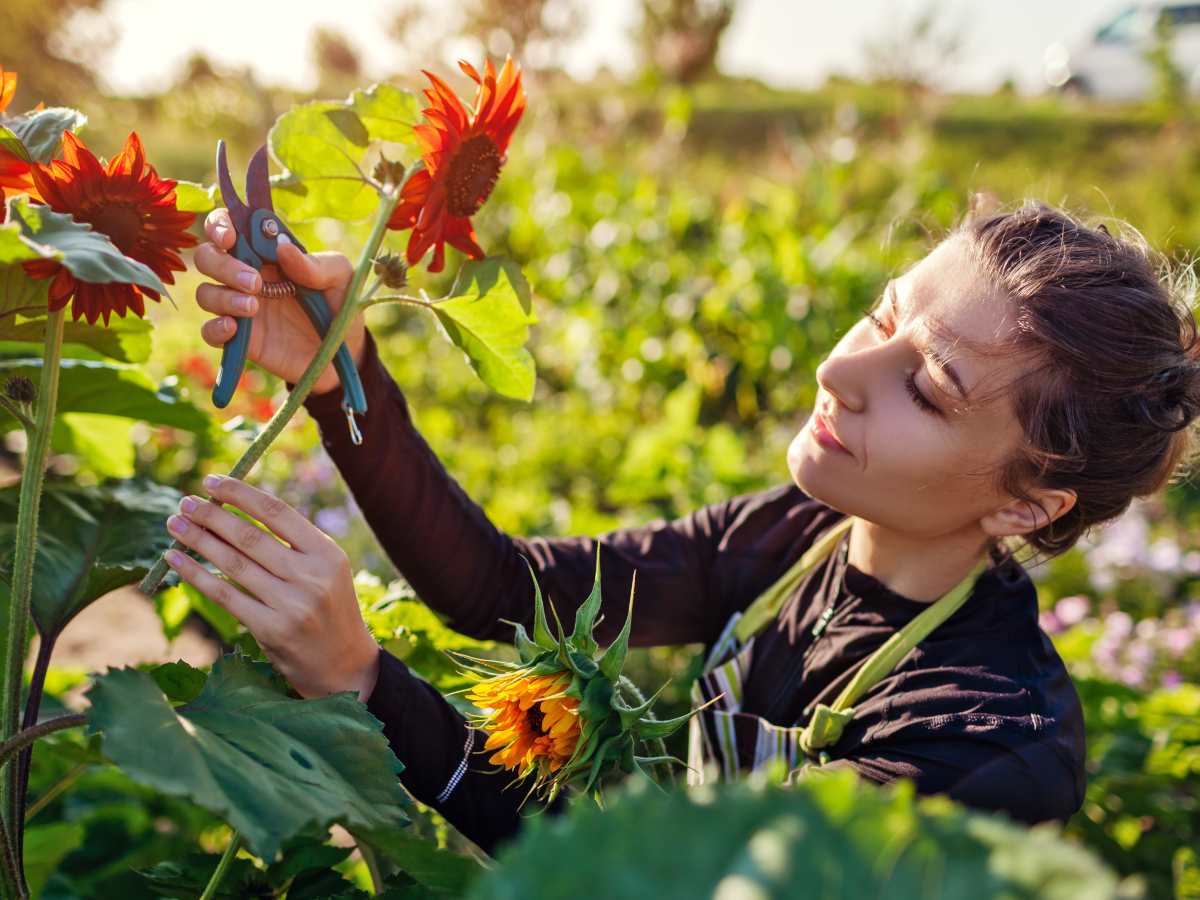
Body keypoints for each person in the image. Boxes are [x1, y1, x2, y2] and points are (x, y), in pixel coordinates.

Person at [165, 198, 1200, 856]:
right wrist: (337, 370)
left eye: (926, 388)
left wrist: (359, 679)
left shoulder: (985, 744)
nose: (839, 373)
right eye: (883, 319)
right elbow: (502, 589)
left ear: (1028, 502)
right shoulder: (796, 537)